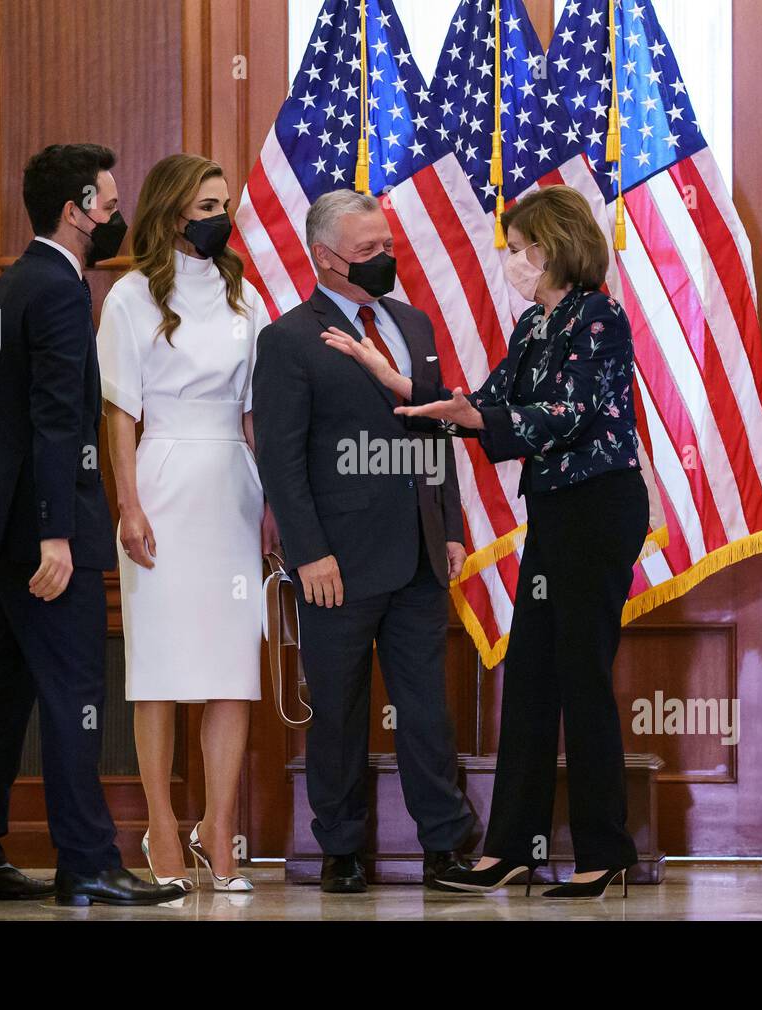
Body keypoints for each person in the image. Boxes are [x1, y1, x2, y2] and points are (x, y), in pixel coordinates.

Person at [323, 185, 647, 899]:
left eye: (520, 247)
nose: (513, 260)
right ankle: (511, 847)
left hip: (599, 508)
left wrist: (477, 419)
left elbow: (563, 414)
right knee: (530, 676)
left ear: (554, 246)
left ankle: (605, 851)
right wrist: (396, 381)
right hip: (555, 511)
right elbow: (488, 402)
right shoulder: (536, 323)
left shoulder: (599, 317)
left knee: (581, 675)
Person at [0, 144, 184, 907]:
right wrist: (56, 535)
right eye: (111, 207)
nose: (118, 219)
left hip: (0, 527)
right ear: (76, 208)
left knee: (2, 692)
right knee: (75, 688)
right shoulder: (54, 290)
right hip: (44, 530)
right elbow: (54, 421)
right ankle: (85, 862)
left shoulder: (18, 280)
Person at [252, 189, 474, 894]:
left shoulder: (412, 322)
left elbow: (437, 429)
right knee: (340, 708)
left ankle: (445, 845)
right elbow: (281, 460)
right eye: (368, 250)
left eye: (388, 246)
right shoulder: (288, 339)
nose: (385, 258)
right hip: (336, 563)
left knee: (427, 706)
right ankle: (340, 848)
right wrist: (307, 551)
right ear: (325, 257)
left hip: (418, 550)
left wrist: (453, 527)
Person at [97, 154, 276, 893]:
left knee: (232, 673)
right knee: (161, 674)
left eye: (225, 203)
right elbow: (119, 411)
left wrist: (270, 505)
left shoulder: (246, 299)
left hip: (233, 485)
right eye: (208, 204)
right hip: (161, 484)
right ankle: (164, 831)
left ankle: (220, 831)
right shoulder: (131, 297)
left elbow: (255, 411)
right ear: (174, 212)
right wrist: (128, 504)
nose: (220, 215)